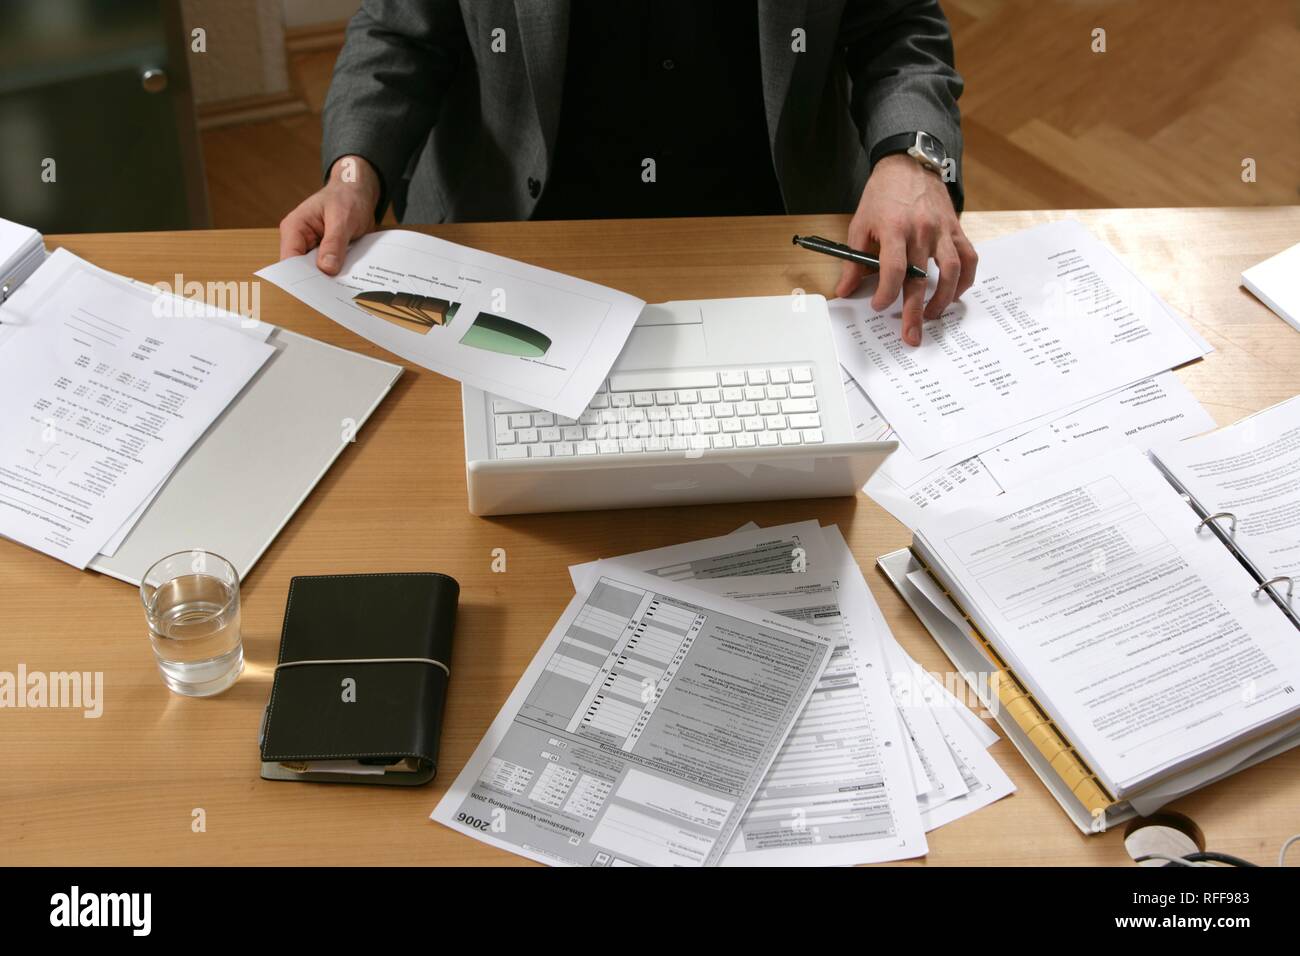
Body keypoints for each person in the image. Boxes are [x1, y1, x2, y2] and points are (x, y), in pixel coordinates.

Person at [278, 0, 978, 346]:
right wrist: (354, 174)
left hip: (775, 248)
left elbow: (898, 27)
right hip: (515, 251)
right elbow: (400, 34)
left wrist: (913, 158)